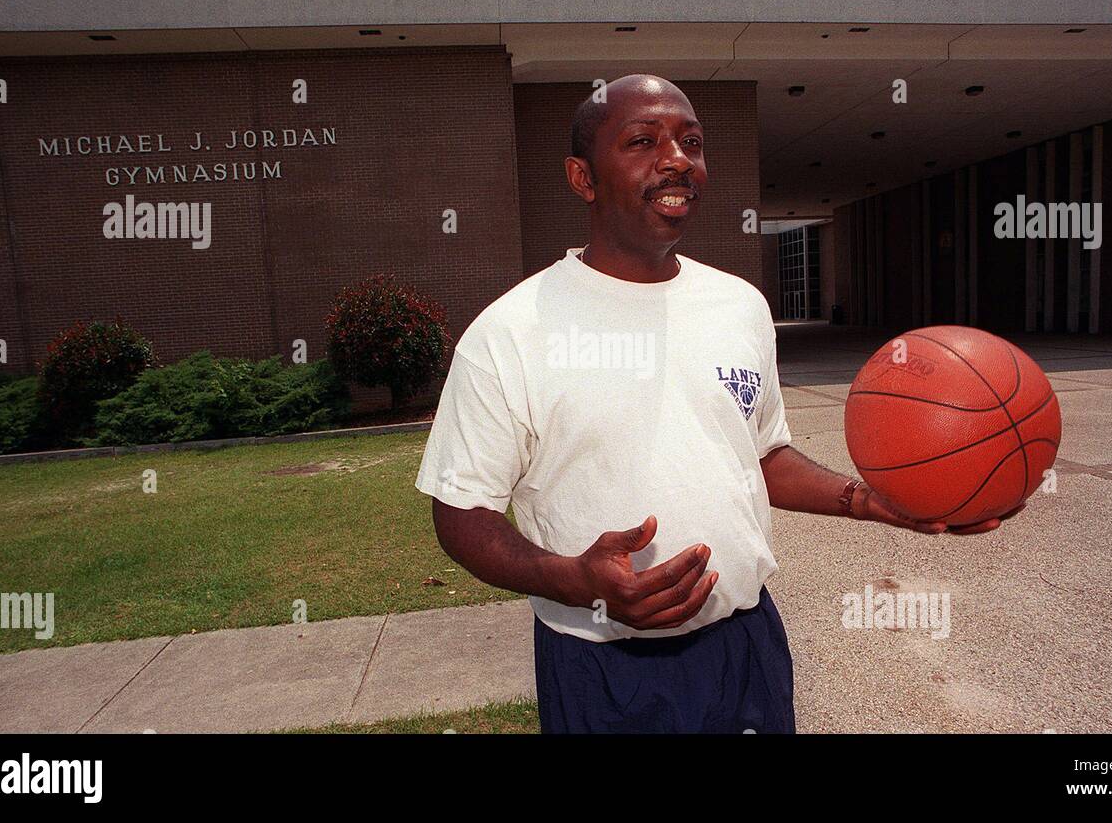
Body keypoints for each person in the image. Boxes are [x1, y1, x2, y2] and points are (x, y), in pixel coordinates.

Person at [415, 74, 1009, 733]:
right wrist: (575, 579)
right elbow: (460, 512)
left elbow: (762, 454)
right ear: (582, 178)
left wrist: (865, 500)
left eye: (690, 142)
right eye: (644, 141)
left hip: (745, 645)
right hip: (600, 666)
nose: (676, 159)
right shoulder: (509, 332)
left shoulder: (740, 305)